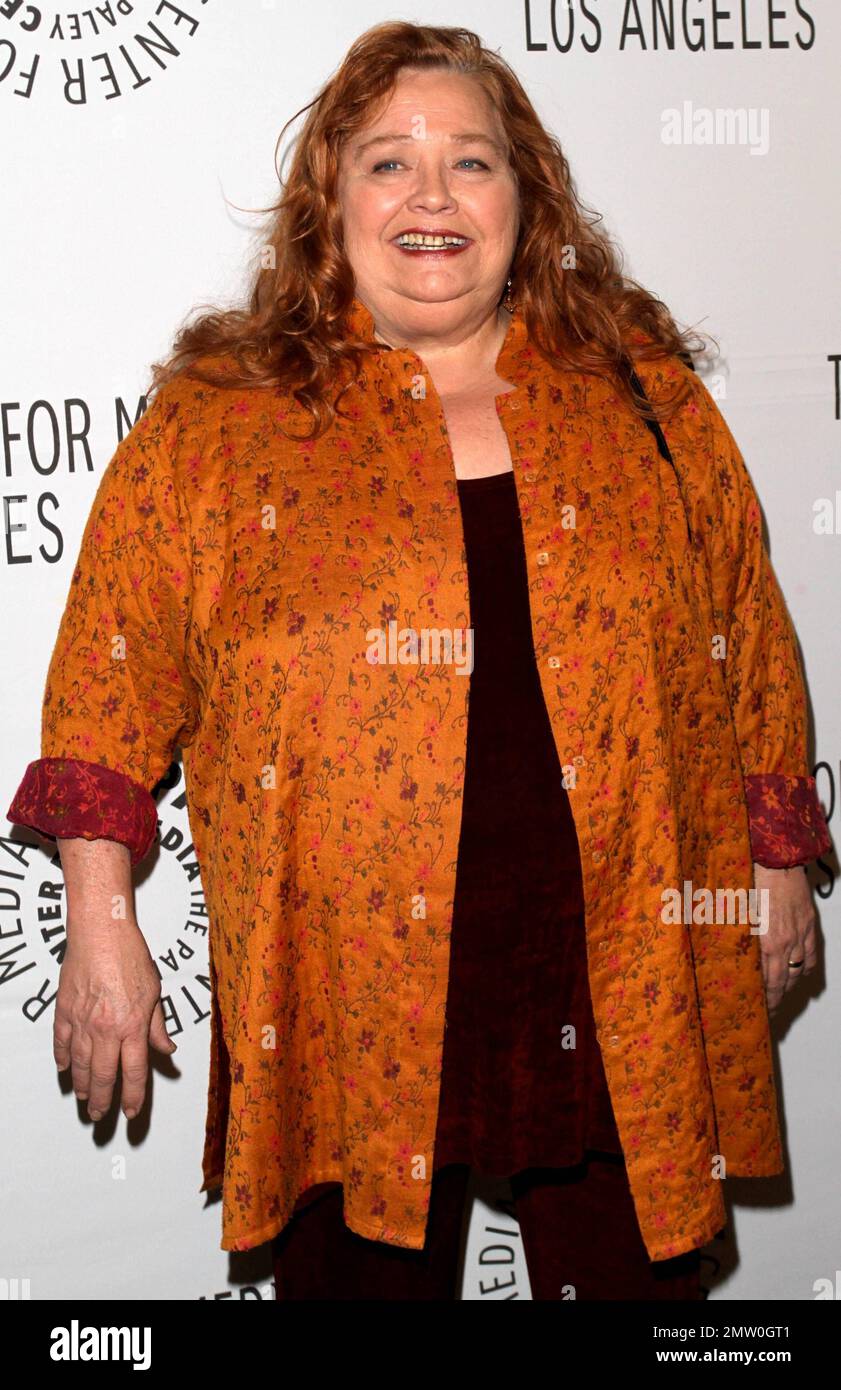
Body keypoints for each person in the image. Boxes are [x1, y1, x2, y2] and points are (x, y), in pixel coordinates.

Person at [7, 21, 831, 1301]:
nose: (433, 196)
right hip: (344, 989)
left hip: (618, 973)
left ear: (528, 196)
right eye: (388, 162)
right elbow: (107, 678)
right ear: (329, 201)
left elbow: (748, 638)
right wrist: (100, 928)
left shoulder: (645, 398)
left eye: (473, 163)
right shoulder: (221, 421)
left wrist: (775, 861)